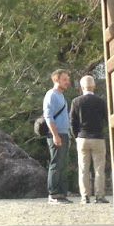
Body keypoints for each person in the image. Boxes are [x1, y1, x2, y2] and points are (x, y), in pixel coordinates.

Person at [70, 74, 108, 204]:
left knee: (83, 169)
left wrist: (76, 135)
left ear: (81, 87)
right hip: (98, 137)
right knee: (99, 169)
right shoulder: (101, 101)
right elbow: (107, 118)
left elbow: (72, 121)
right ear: (94, 86)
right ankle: (99, 195)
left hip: (82, 137)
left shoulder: (76, 101)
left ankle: (85, 196)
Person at [42, 68, 72, 204]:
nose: (67, 82)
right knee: (55, 163)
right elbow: (48, 116)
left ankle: (61, 193)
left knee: (62, 164)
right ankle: (53, 194)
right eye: (64, 79)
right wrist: (55, 135)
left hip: (64, 133)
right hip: (56, 133)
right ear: (56, 80)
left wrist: (68, 135)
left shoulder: (62, 96)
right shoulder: (51, 95)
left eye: (68, 79)